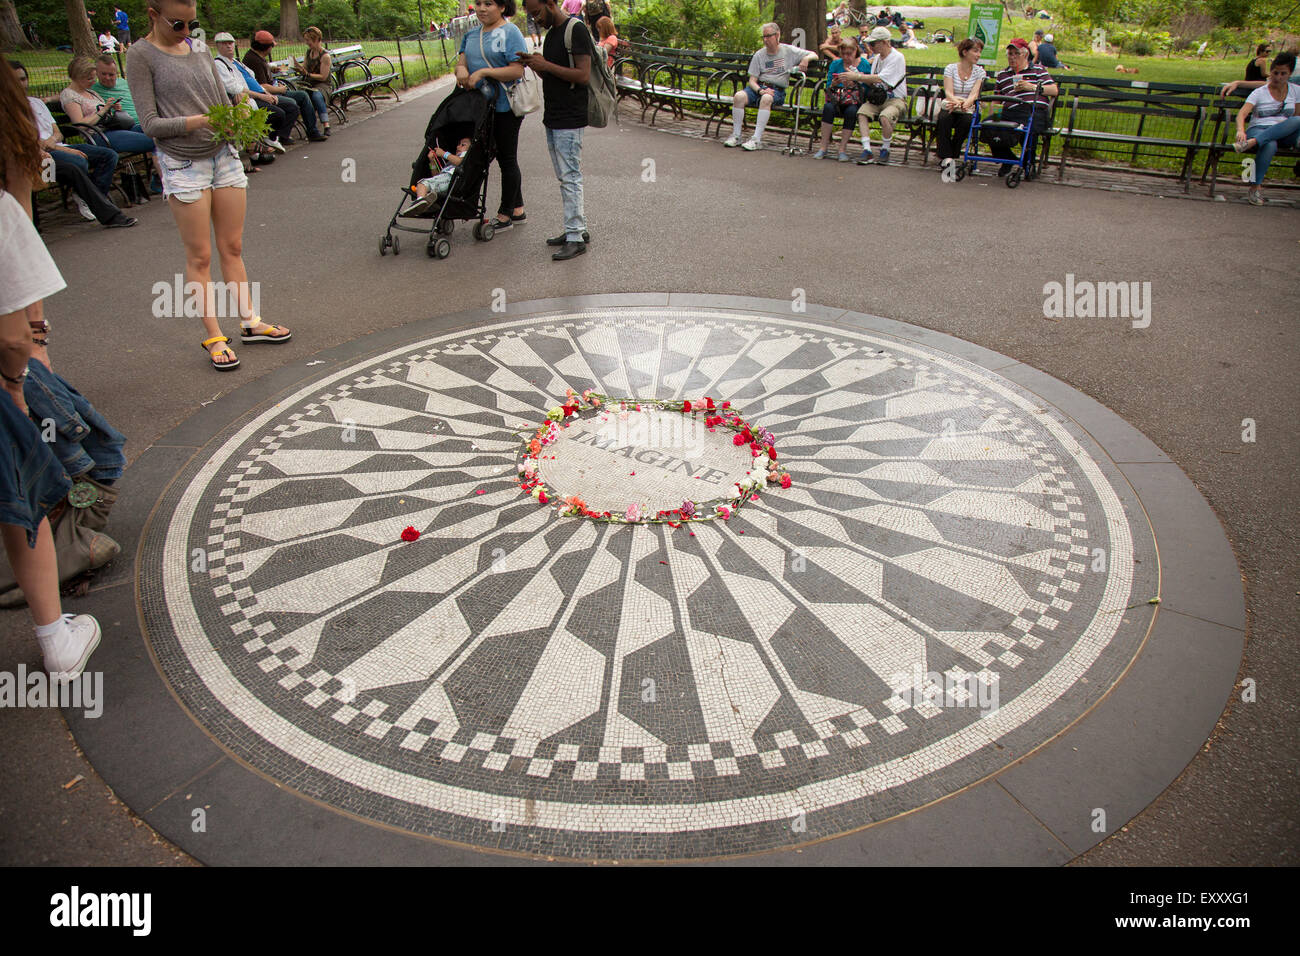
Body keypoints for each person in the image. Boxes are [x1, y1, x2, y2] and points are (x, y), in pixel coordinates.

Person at [0, 60, 104, 681]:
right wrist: (16, 383)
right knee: (22, 497)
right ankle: (54, 638)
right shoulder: (5, 215)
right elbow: (15, 337)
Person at [127, 0, 291, 371]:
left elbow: (222, 99)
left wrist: (238, 119)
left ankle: (250, 322)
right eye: (177, 24)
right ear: (153, 15)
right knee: (200, 257)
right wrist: (202, 121)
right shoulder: (141, 56)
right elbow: (150, 124)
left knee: (232, 246)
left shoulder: (199, 49)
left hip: (223, 156)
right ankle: (214, 336)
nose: (187, 32)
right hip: (183, 162)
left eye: (192, 23)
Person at [13, 61, 138, 227]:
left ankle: (92, 199)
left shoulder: (36, 103)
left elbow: (57, 132)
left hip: (54, 150)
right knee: (76, 163)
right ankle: (103, 210)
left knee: (108, 155)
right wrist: (54, 147)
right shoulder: (7, 110)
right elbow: (23, 143)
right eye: (14, 80)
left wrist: (53, 141)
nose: (20, 84)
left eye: (22, 79)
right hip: (35, 162)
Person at [519, 0, 592, 260]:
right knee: (565, 176)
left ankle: (575, 237)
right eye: (531, 15)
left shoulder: (576, 29)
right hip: (554, 115)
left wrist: (547, 66)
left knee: (570, 176)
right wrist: (536, 64)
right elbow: (554, 75)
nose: (535, 19)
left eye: (537, 12)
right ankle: (576, 228)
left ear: (551, 3)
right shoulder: (551, 35)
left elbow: (583, 75)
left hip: (570, 116)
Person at [455, 0, 528, 232]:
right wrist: (463, 71)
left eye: (489, 3)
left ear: (503, 7)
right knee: (486, 156)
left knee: (506, 158)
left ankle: (505, 215)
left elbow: (517, 70)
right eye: (478, 3)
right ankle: (517, 208)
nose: (482, 8)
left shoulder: (510, 32)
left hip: (505, 106)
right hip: (479, 108)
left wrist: (485, 72)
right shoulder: (471, 34)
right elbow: (461, 63)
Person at [724, 23, 817, 151]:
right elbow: (752, 80)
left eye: (768, 36)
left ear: (777, 35)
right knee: (739, 96)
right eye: (764, 37)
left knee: (766, 99)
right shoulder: (759, 55)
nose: (765, 40)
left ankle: (756, 139)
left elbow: (814, 54)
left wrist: (806, 59)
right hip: (758, 87)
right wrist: (759, 90)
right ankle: (736, 135)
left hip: (776, 90)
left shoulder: (788, 51)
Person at [211, 33, 291, 165]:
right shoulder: (219, 64)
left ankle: (259, 148)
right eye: (224, 43)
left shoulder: (235, 62)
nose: (228, 46)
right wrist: (262, 95)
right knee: (277, 113)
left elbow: (249, 79)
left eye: (230, 43)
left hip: (249, 98)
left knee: (289, 105)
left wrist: (266, 93)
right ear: (217, 46)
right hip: (235, 102)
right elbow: (233, 88)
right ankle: (257, 148)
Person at [981, 38, 1056, 175]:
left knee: (1029, 126)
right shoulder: (1003, 74)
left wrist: (1032, 87)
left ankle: (1028, 163)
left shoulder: (1038, 69)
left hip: (1033, 110)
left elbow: (1054, 90)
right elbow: (997, 100)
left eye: (1016, 53)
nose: (1013, 57)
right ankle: (1007, 159)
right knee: (987, 126)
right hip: (1010, 111)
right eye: (1010, 54)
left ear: (1025, 54)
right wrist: (993, 117)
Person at [1233, 53, 1300, 206]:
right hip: (1260, 128)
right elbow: (1242, 114)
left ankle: (1252, 143)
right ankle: (1255, 188)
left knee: (1297, 120)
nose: (1278, 77)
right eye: (1275, 73)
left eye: (1283, 73)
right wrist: (1240, 130)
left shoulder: (1296, 91)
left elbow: (1296, 117)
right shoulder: (1260, 92)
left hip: (1284, 132)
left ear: (1290, 74)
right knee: (1269, 143)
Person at [61, 57, 156, 156]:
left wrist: (113, 108)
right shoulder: (69, 95)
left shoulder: (90, 92)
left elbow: (103, 111)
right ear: (77, 77)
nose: (93, 81)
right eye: (89, 79)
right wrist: (104, 110)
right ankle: (166, 168)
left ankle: (165, 168)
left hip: (115, 128)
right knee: (154, 141)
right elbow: (80, 124)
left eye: (94, 78)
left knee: (160, 133)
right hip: (100, 135)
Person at [243, 30, 327, 142]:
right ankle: (291, 134)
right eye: (271, 46)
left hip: (274, 90)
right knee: (297, 100)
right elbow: (262, 86)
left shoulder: (256, 56)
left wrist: (271, 69)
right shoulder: (254, 60)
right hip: (266, 95)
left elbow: (262, 73)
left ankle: (309, 132)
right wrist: (280, 89)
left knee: (302, 96)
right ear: (266, 47)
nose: (272, 49)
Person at [848, 26, 905, 165]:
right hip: (878, 99)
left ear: (885, 42)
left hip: (895, 99)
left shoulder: (897, 57)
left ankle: (885, 149)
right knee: (862, 113)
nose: (870, 46)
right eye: (869, 43)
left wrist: (857, 76)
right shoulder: (878, 58)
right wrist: (856, 74)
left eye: (873, 43)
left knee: (885, 117)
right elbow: (872, 80)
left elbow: (879, 78)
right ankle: (867, 150)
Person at [812, 37, 870, 161]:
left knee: (852, 111)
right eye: (843, 54)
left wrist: (855, 82)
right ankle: (823, 147)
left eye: (849, 54)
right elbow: (828, 85)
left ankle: (842, 149)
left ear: (856, 51)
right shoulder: (836, 63)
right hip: (837, 98)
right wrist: (834, 83)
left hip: (854, 100)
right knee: (828, 108)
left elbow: (868, 86)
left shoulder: (864, 64)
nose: (846, 57)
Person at [934, 38, 985, 174]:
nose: (978, 55)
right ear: (964, 52)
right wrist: (956, 103)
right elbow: (949, 91)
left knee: (967, 121)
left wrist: (965, 104)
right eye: (975, 51)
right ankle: (947, 157)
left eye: (980, 51)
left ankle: (952, 154)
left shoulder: (980, 72)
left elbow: (974, 94)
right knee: (944, 119)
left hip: (968, 106)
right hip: (951, 103)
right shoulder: (950, 68)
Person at [408, 134, 473, 215]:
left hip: (451, 180)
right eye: (458, 144)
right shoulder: (451, 162)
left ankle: (420, 202)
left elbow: (460, 162)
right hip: (444, 181)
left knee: (422, 183)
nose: (458, 147)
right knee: (422, 186)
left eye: (463, 145)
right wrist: (432, 161)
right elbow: (436, 176)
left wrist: (444, 154)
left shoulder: (466, 156)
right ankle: (426, 203)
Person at [292, 26, 332, 136]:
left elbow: (323, 77)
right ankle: (310, 127)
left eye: (308, 40)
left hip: (322, 85)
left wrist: (308, 74)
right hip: (308, 84)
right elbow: (304, 69)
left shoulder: (325, 56)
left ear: (316, 39)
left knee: (316, 96)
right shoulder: (309, 52)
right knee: (299, 95)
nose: (307, 43)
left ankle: (326, 124)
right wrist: (297, 67)